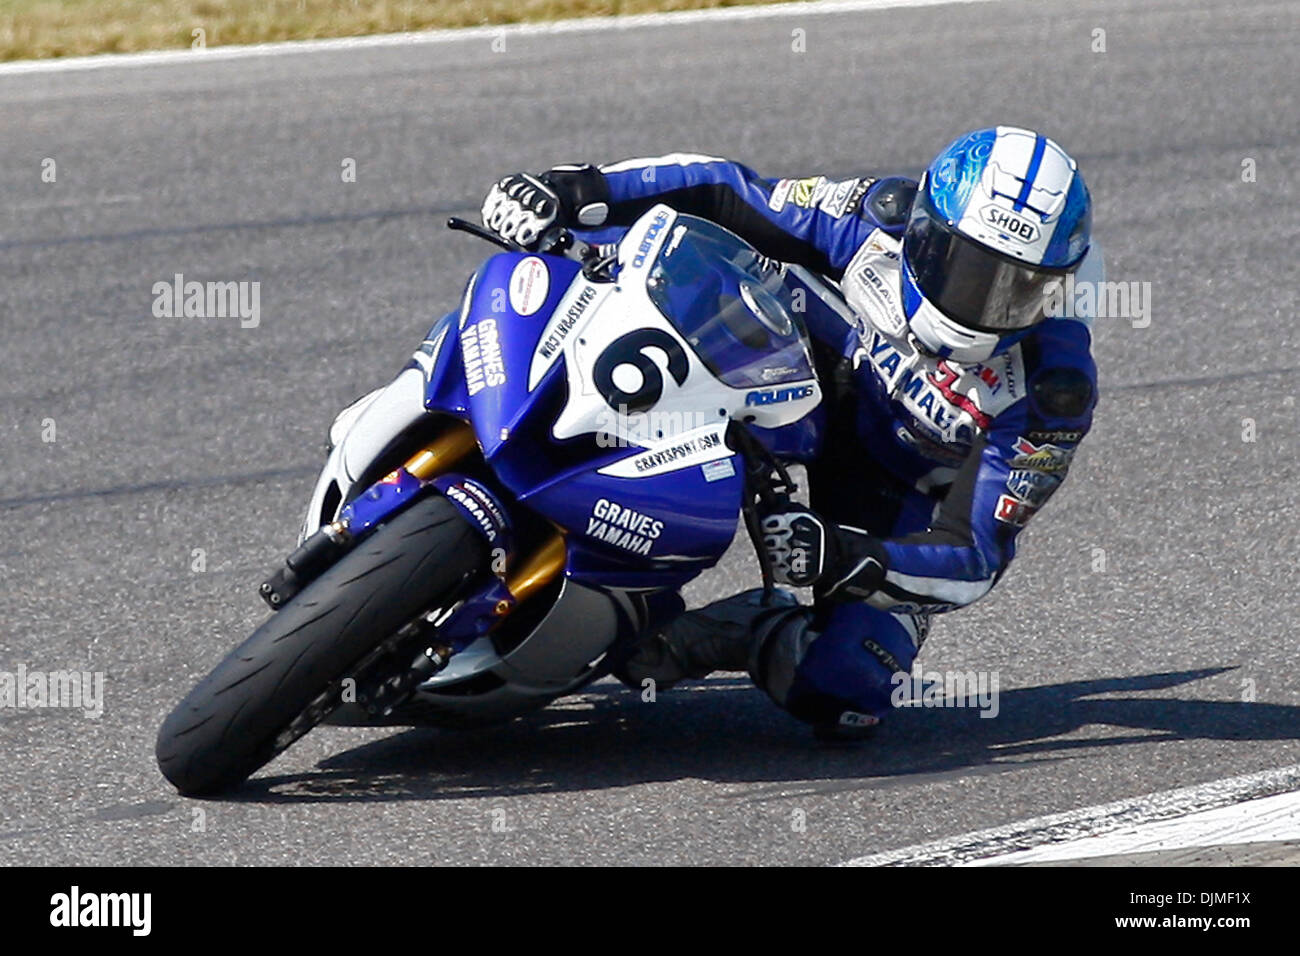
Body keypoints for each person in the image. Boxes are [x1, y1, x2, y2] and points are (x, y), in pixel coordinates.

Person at [480, 128, 1102, 738]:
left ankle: (749, 629)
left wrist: (842, 555)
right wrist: (576, 189)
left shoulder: (1051, 392)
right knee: (644, 261)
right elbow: (729, 192)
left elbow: (974, 553)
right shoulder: (874, 217)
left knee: (846, 689)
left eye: (1020, 288)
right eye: (972, 272)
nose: (989, 304)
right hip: (794, 365)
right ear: (925, 233)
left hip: (891, 491)